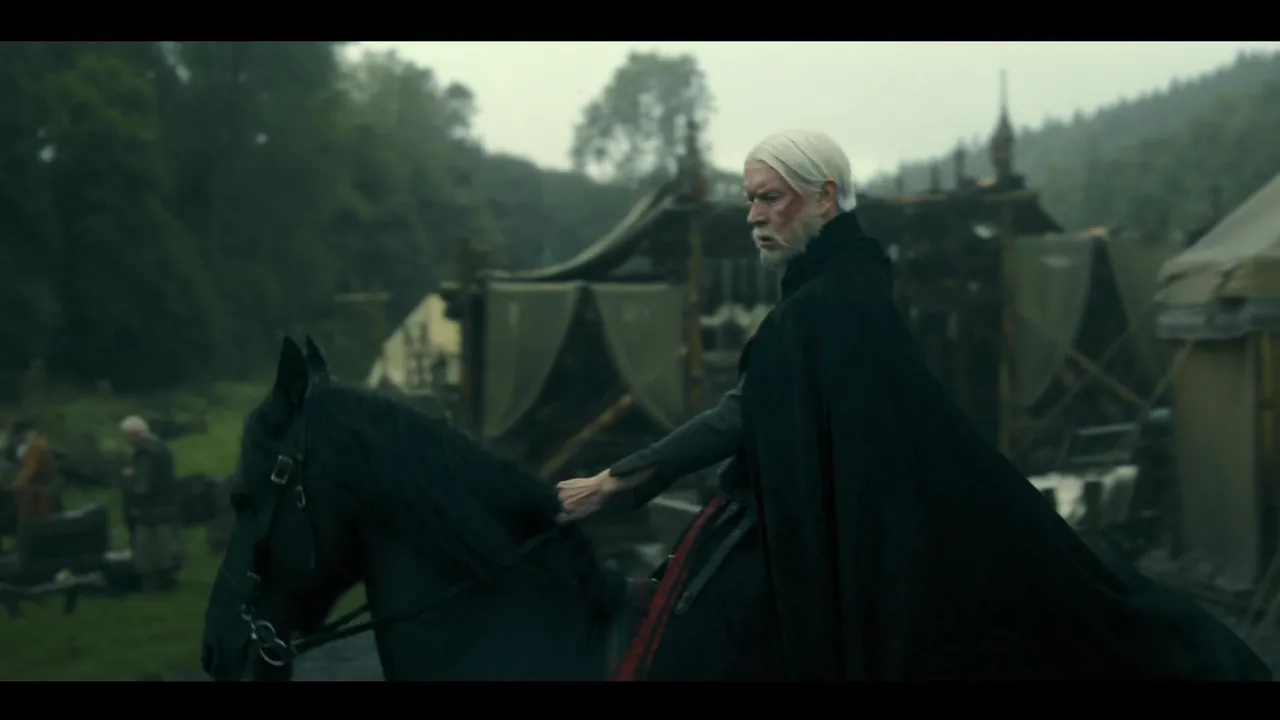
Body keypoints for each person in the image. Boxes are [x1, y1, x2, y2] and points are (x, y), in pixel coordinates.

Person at [564, 129, 1271, 681]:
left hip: (865, 534)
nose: (754, 217)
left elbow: (742, 413)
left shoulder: (829, 304)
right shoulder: (834, 289)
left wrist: (619, 481)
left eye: (771, 198)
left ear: (824, 197)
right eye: (751, 200)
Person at [119, 415, 184, 592]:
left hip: (150, 511)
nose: (128, 442)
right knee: (168, 549)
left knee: (149, 552)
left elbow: (143, 487)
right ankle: (170, 580)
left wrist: (129, 481)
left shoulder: (144, 454)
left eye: (127, 437)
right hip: (167, 504)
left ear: (134, 435)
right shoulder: (161, 446)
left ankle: (153, 586)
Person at [8, 419, 57, 545]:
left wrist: (13, 488)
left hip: (35, 498)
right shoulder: (37, 445)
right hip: (34, 496)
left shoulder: (36, 447)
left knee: (33, 530)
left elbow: (28, 474)